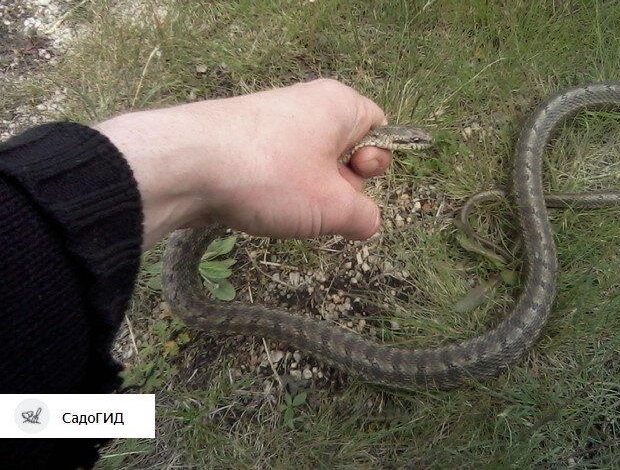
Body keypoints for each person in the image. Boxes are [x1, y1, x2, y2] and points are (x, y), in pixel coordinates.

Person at [0, 79, 394, 469]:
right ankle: (139, 421)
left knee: (62, 419)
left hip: (33, 414)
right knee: (91, 419)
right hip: (36, 415)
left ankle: (131, 420)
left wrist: (199, 161)